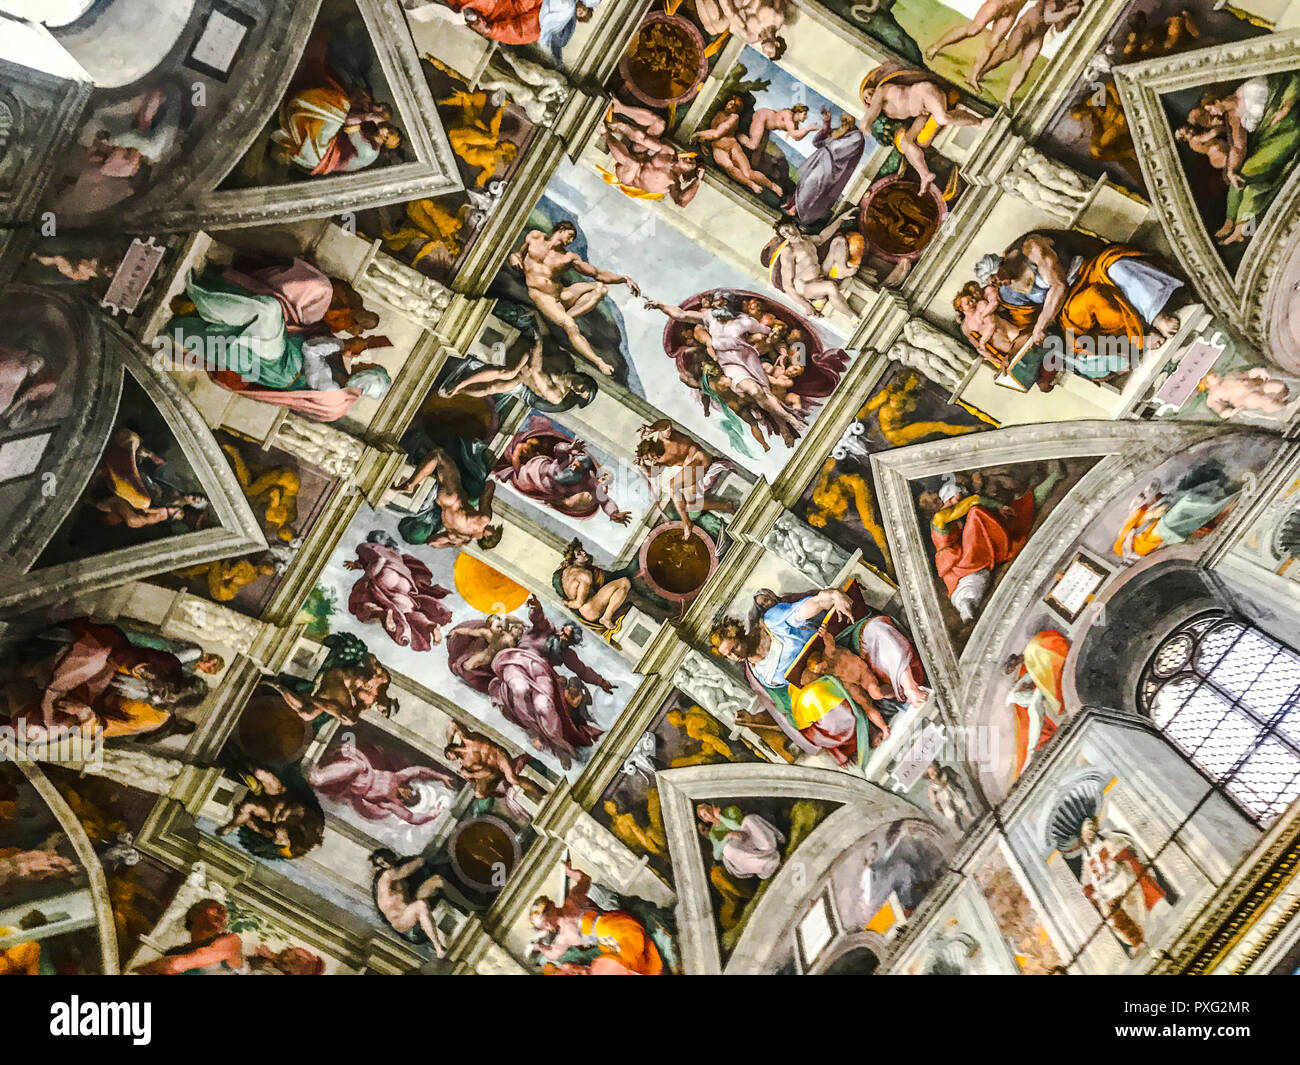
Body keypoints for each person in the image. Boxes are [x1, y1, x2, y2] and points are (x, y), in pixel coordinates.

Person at [711, 586, 882, 769]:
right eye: (728, 655)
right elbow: (781, 707)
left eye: (734, 647)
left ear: (739, 635)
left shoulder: (771, 622)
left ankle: (869, 723)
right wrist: (754, 719)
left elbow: (812, 604)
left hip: (825, 657)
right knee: (813, 699)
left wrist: (833, 596)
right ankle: (860, 732)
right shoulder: (755, 673)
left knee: (824, 688)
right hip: (807, 691)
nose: (734, 656)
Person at [918, 463, 1065, 624]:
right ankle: (967, 606)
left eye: (935, 495)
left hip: (961, 554)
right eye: (936, 500)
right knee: (970, 579)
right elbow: (972, 503)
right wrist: (997, 506)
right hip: (959, 557)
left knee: (1020, 509)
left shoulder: (951, 510)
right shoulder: (941, 517)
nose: (950, 500)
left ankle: (967, 605)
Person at [1176, 72, 1300, 245]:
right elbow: (1238, 146)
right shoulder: (1232, 118)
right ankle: (1237, 224)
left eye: (1209, 110)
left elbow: (1290, 79)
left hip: (1289, 129)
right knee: (1241, 180)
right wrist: (1231, 170)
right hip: (1270, 138)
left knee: (1248, 173)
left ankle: (1238, 224)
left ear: (1216, 101)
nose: (1211, 114)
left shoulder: (1247, 89)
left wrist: (1286, 106)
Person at [509, 223, 639, 376]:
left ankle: (566, 317)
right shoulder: (535, 236)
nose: (570, 241)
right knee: (571, 327)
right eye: (570, 236)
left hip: (561, 294)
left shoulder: (568, 258)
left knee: (600, 288)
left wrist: (623, 279)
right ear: (561, 230)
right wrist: (514, 257)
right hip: (542, 296)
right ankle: (599, 361)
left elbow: (597, 274)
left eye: (572, 239)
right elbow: (518, 254)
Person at [859, 67, 989, 197]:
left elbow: (872, 111)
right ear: (867, 103)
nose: (869, 96)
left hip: (925, 92)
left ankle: (980, 121)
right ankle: (925, 175)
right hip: (923, 111)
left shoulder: (882, 91)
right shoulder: (888, 112)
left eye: (869, 92)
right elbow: (908, 116)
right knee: (906, 142)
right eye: (866, 98)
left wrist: (865, 123)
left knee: (942, 117)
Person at [529, 863, 665, 974]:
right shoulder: (563, 938)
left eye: (546, 921)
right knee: (622, 965)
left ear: (552, 906)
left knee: (630, 955)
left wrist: (570, 871)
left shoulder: (573, 900)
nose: (548, 927)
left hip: (614, 925)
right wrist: (539, 947)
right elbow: (552, 954)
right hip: (606, 943)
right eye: (544, 926)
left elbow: (585, 879)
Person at [495, 418, 631, 524]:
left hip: (535, 481)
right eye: (576, 462)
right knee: (522, 448)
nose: (575, 464)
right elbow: (558, 449)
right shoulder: (569, 461)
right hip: (539, 465)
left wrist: (614, 513)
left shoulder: (589, 485)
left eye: (577, 465)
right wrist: (570, 448)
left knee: (515, 465)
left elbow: (606, 502)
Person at [344, 530, 453, 651]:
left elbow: (379, 560)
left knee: (360, 603)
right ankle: (429, 625)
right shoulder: (394, 553)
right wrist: (358, 565)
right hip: (405, 584)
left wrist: (365, 579)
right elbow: (375, 561)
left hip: (385, 576)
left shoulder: (365, 547)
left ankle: (381, 614)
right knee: (408, 612)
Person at [1112, 460, 1241, 562]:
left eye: (1144, 493)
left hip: (1163, 522)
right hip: (1163, 529)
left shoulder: (1139, 511)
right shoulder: (1127, 542)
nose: (1146, 493)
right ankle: (1229, 498)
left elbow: (1136, 525)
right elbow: (1131, 535)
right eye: (1144, 494)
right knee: (1187, 504)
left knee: (1188, 492)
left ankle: (1225, 485)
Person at [1077, 817, 1167, 955]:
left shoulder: (1108, 839)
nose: (1089, 834)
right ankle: (1136, 942)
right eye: (1086, 833)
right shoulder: (1086, 857)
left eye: (1091, 830)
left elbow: (1123, 851)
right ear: (1083, 837)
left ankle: (1148, 939)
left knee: (1136, 912)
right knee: (1116, 922)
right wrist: (1094, 892)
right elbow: (1087, 881)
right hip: (1106, 894)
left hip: (1122, 884)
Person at [309, 741, 455, 825]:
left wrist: (432, 815)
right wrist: (441, 776)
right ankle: (319, 776)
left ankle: (318, 778)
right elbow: (419, 771)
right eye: (412, 791)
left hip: (356, 786)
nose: (408, 792)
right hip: (363, 772)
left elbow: (412, 818)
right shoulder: (401, 777)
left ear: (405, 800)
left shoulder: (392, 803)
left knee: (355, 769)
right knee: (358, 766)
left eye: (409, 796)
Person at [273, 79, 400, 175]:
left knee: (338, 109)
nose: (387, 128)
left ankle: (300, 110)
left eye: (388, 134)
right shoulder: (373, 136)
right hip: (331, 147)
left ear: (384, 139)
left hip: (323, 156)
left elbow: (349, 120)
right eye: (391, 128)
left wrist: (371, 116)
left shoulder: (369, 150)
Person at [87, 428, 205, 529]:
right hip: (134, 474)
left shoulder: (161, 514)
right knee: (132, 441)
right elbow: (157, 469)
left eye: (194, 500)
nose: (192, 497)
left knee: (142, 501)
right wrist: (150, 455)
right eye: (196, 496)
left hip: (119, 494)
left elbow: (136, 520)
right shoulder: (175, 489)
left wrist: (133, 514)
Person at [636, 418, 736, 539]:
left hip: (700, 458)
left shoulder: (664, 438)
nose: (652, 460)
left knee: (672, 486)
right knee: (692, 504)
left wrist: (652, 428)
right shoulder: (660, 460)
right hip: (694, 470)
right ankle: (726, 506)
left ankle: (687, 524)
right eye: (650, 460)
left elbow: (666, 424)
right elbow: (652, 473)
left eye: (650, 457)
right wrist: (642, 466)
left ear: (651, 447)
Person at [392, 442, 503, 549]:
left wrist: (490, 479)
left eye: (494, 531)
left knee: (438, 455)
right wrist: (452, 545)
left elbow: (486, 496)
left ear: (487, 537)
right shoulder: (462, 538)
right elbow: (432, 542)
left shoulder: (484, 520)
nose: (493, 527)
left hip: (453, 495)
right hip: (442, 502)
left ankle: (410, 485)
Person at [443, 333, 597, 409]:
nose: (577, 391)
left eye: (579, 395)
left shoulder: (557, 396)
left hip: (523, 377)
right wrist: (538, 338)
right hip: (526, 354)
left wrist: (539, 343)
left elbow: (535, 372)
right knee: (508, 372)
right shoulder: (566, 361)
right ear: (586, 380)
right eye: (582, 389)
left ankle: (459, 391)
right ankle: (461, 383)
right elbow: (547, 341)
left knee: (491, 388)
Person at [600, 98, 703, 206]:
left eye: (690, 162)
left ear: (689, 172)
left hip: (627, 173)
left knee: (634, 164)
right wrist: (623, 127)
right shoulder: (669, 153)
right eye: (689, 157)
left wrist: (698, 180)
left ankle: (605, 134)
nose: (687, 158)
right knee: (659, 124)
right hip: (637, 153)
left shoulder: (672, 184)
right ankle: (620, 108)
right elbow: (643, 140)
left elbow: (681, 201)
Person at [802, 626, 894, 746]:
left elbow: (829, 641)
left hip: (860, 672)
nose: (823, 670)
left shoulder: (829, 653)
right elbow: (804, 680)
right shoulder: (823, 671)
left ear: (821, 659)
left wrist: (824, 634)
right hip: (848, 682)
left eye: (822, 667)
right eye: (820, 671)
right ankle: (884, 728)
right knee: (866, 706)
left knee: (876, 693)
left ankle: (897, 692)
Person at [979, 0, 1083, 105]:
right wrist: (1066, 12)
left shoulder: (1070, 5)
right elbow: (1047, 18)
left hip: (1038, 35)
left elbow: (1059, 28)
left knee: (1026, 65)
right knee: (1008, 54)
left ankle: (1008, 97)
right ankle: (980, 72)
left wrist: (1068, 15)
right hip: (1025, 26)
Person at [444, 721, 542, 819]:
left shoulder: (466, 738)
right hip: (495, 770)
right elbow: (487, 772)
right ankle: (540, 795)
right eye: (450, 758)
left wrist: (448, 743)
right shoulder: (466, 763)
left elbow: (453, 724)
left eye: (449, 756)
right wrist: (470, 775)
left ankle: (541, 792)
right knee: (482, 792)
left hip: (499, 756)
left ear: (450, 750)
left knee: (512, 779)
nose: (453, 759)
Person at [924, 0, 1028, 89]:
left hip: (1012, 11)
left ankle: (972, 77)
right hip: (998, 3)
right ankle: (935, 47)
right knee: (973, 29)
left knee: (993, 44)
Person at [692, 96, 783, 195]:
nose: (728, 106)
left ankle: (772, 186)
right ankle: (752, 185)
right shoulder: (719, 114)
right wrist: (704, 142)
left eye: (732, 106)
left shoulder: (734, 117)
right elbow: (713, 134)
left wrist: (698, 134)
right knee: (730, 168)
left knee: (748, 173)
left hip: (733, 147)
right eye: (729, 103)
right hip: (718, 149)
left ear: (736, 109)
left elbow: (717, 133)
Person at [790, 109, 866, 225]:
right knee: (805, 183)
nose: (843, 123)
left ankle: (803, 214)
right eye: (842, 120)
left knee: (812, 187)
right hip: (820, 162)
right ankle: (795, 208)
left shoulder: (857, 136)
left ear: (852, 121)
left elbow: (836, 149)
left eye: (846, 120)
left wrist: (833, 136)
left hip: (830, 169)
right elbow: (817, 143)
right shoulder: (841, 131)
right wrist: (827, 125)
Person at [133, 900, 246, 975]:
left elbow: (176, 965)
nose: (222, 914)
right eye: (215, 908)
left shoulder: (231, 941)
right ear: (194, 915)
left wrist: (148, 968)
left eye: (223, 913)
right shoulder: (177, 951)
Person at [370, 849, 448, 955]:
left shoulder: (398, 877)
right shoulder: (387, 876)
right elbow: (408, 869)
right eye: (382, 863)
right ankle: (438, 947)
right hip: (403, 923)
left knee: (436, 880)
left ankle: (466, 905)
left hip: (410, 910)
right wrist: (422, 859)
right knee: (420, 905)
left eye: (387, 859)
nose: (387, 864)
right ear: (379, 867)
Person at [771, 219, 854, 318]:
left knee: (839, 241)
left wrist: (841, 219)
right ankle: (852, 316)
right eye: (784, 234)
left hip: (820, 273)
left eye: (787, 229)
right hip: (806, 286)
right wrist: (806, 305)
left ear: (793, 224)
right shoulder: (788, 251)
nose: (788, 234)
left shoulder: (806, 239)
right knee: (830, 286)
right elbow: (787, 286)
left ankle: (842, 268)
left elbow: (823, 237)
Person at [556, 539, 630, 632]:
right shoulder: (584, 575)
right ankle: (606, 618)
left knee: (621, 590)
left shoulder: (566, 571)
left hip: (587, 609)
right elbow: (579, 603)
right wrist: (568, 604)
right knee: (625, 582)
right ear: (573, 558)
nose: (583, 552)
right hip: (591, 609)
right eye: (579, 553)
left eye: (581, 549)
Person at [694, 0, 787, 59]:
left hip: (737, 3)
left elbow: (733, 16)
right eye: (769, 53)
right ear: (776, 44)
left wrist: (726, 5)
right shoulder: (778, 17)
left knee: (715, 28)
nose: (764, 51)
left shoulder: (752, 37)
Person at [1199, 366, 1292, 419]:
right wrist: (1230, 412)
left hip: (1258, 386)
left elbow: (1249, 374)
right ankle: (1286, 411)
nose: (1216, 375)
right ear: (1205, 384)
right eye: (1213, 376)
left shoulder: (1229, 376)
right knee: (1264, 400)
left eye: (1214, 374)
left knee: (1279, 386)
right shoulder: (1212, 397)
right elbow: (1221, 411)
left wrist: (1260, 371)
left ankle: (1288, 399)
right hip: (1246, 399)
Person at [925, 764, 974, 829]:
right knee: (953, 816)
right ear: (929, 776)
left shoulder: (946, 771)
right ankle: (961, 830)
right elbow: (934, 801)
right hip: (945, 801)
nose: (936, 773)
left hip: (955, 793)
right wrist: (938, 808)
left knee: (964, 805)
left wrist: (961, 787)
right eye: (932, 774)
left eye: (936, 770)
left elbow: (958, 778)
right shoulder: (931, 787)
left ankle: (972, 818)